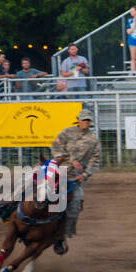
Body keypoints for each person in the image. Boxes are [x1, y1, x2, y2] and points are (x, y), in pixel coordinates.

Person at [48, 108, 100, 255]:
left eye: (88, 120)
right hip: (58, 171)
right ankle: (6, 207)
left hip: (75, 179)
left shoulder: (93, 139)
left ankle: (61, 236)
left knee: (75, 205)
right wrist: (71, 159)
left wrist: (85, 174)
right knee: (33, 185)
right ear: (78, 119)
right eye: (83, 120)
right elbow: (55, 147)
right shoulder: (66, 133)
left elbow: (95, 160)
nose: (85, 123)